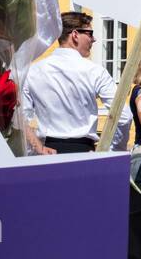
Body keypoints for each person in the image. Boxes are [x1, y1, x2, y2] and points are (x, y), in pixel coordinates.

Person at [20, 12, 131, 153]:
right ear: (75, 35)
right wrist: (114, 150)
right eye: (90, 34)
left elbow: (20, 119)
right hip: (83, 151)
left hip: (47, 152)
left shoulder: (33, 71)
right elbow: (124, 116)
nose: (94, 39)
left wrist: (38, 148)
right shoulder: (94, 71)